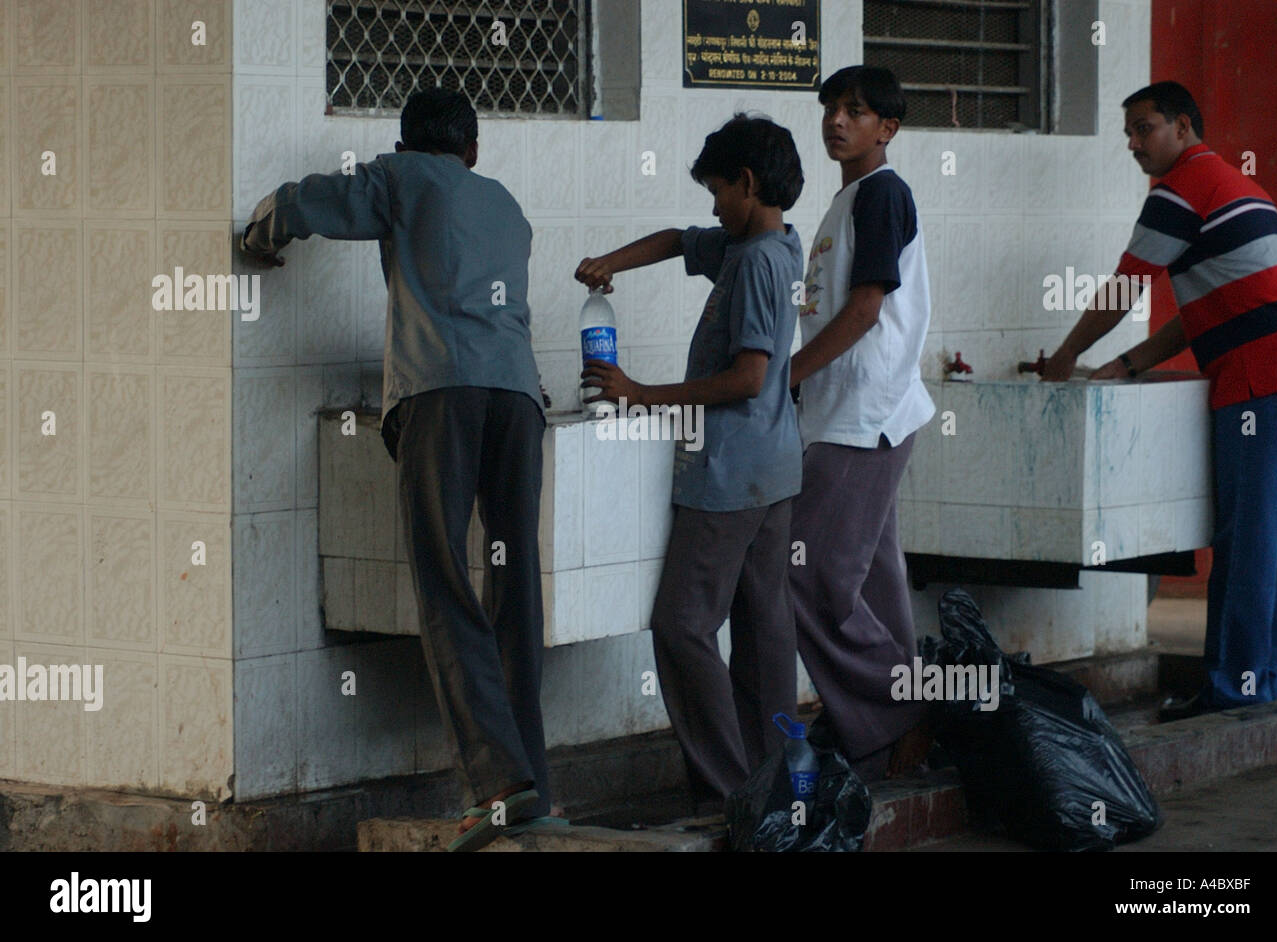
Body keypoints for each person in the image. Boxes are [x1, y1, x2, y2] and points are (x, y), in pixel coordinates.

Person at [240, 88, 554, 851]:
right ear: (473, 150)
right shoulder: (507, 204)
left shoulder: (403, 177)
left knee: (444, 583)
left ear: (407, 146)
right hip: (518, 397)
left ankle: (501, 785)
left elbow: (318, 201)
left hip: (443, 394)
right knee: (513, 584)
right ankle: (533, 780)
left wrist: (262, 229)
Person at [1041, 81, 1277, 720]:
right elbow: (1207, 308)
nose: (1132, 142)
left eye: (1143, 127)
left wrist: (1066, 357)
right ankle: (1257, 687)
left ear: (1183, 127)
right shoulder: (1235, 186)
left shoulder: (1180, 188)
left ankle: (1232, 693)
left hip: (1260, 381)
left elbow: (1126, 284)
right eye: (1128, 131)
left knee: (1247, 546)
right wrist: (1128, 363)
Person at [574, 114, 805, 809]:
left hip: (731, 474)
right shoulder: (761, 243)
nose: (711, 207)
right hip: (773, 467)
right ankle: (772, 784)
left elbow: (747, 378)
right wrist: (612, 262)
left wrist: (641, 393)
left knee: (681, 624)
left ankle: (730, 788)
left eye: (717, 192)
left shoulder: (759, 261)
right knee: (763, 628)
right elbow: (679, 241)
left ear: (747, 182)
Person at [787, 66, 936, 781]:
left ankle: (896, 715)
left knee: (808, 574)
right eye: (831, 109)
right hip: (850, 414)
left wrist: (788, 373)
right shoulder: (848, 200)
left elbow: (866, 309)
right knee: (875, 580)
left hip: (862, 416)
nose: (837, 121)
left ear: (889, 129)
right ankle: (900, 732)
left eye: (855, 111)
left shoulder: (880, 194)